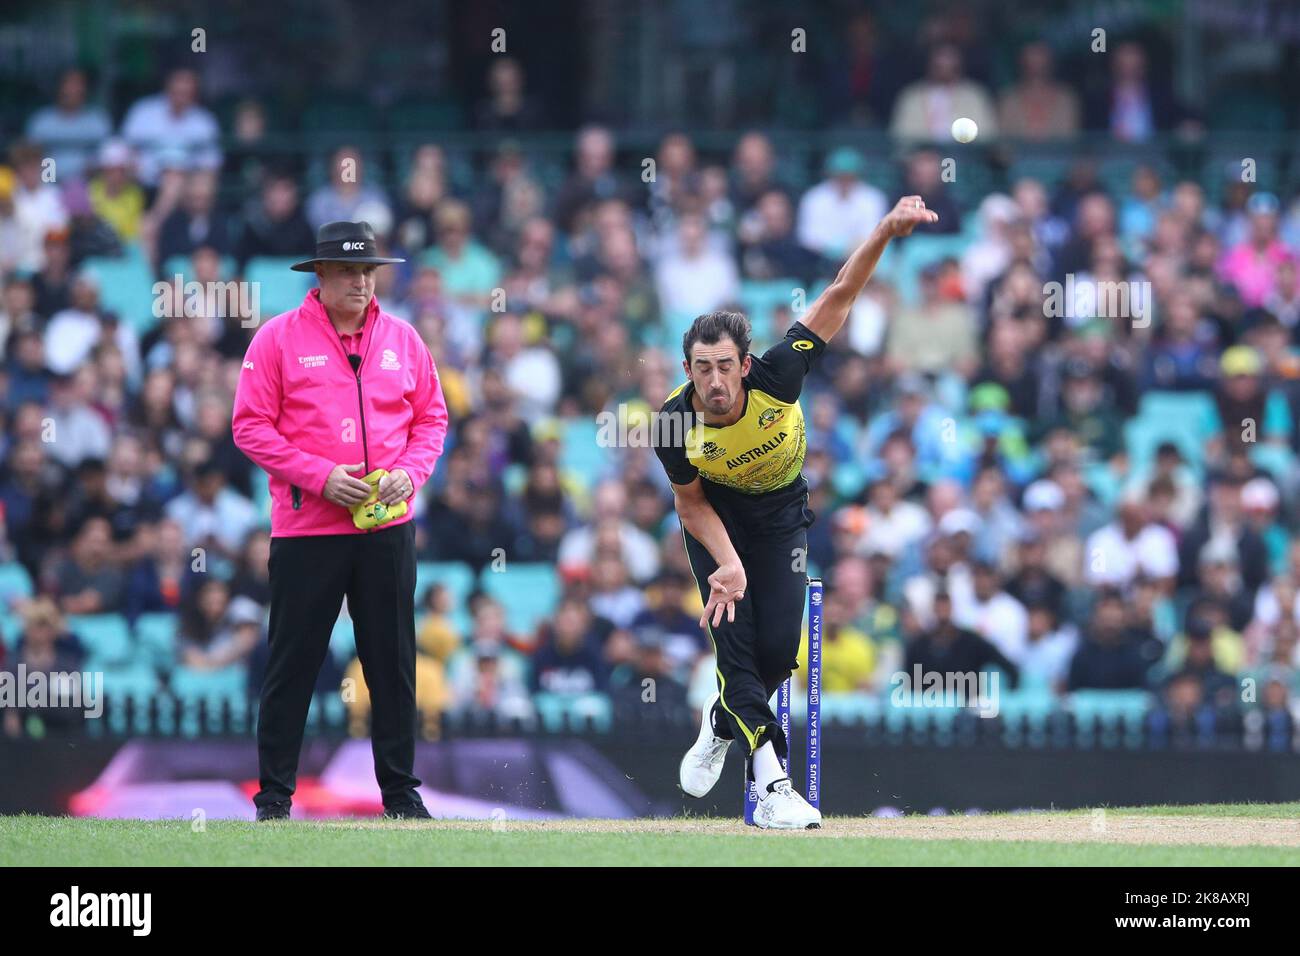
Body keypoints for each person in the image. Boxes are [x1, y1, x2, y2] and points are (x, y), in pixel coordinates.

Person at [656, 195, 938, 829]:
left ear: (745, 365)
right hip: (718, 526)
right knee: (736, 646)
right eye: (702, 369)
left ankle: (722, 720)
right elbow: (690, 502)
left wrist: (887, 231)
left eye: (725, 367)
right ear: (687, 371)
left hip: (782, 516)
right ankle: (774, 784)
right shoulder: (672, 422)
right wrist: (726, 563)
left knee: (778, 653)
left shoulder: (779, 375)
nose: (715, 383)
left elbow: (839, 293)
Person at [232, 221, 449, 821]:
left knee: (392, 663)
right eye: (349, 271)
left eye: (368, 271)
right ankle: (274, 798)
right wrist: (319, 477)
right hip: (308, 531)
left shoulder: (403, 339)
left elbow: (433, 418)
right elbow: (248, 426)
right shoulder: (276, 339)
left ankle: (402, 798)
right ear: (320, 276)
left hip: (386, 527)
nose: (361, 281)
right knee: (293, 663)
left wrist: (410, 472)